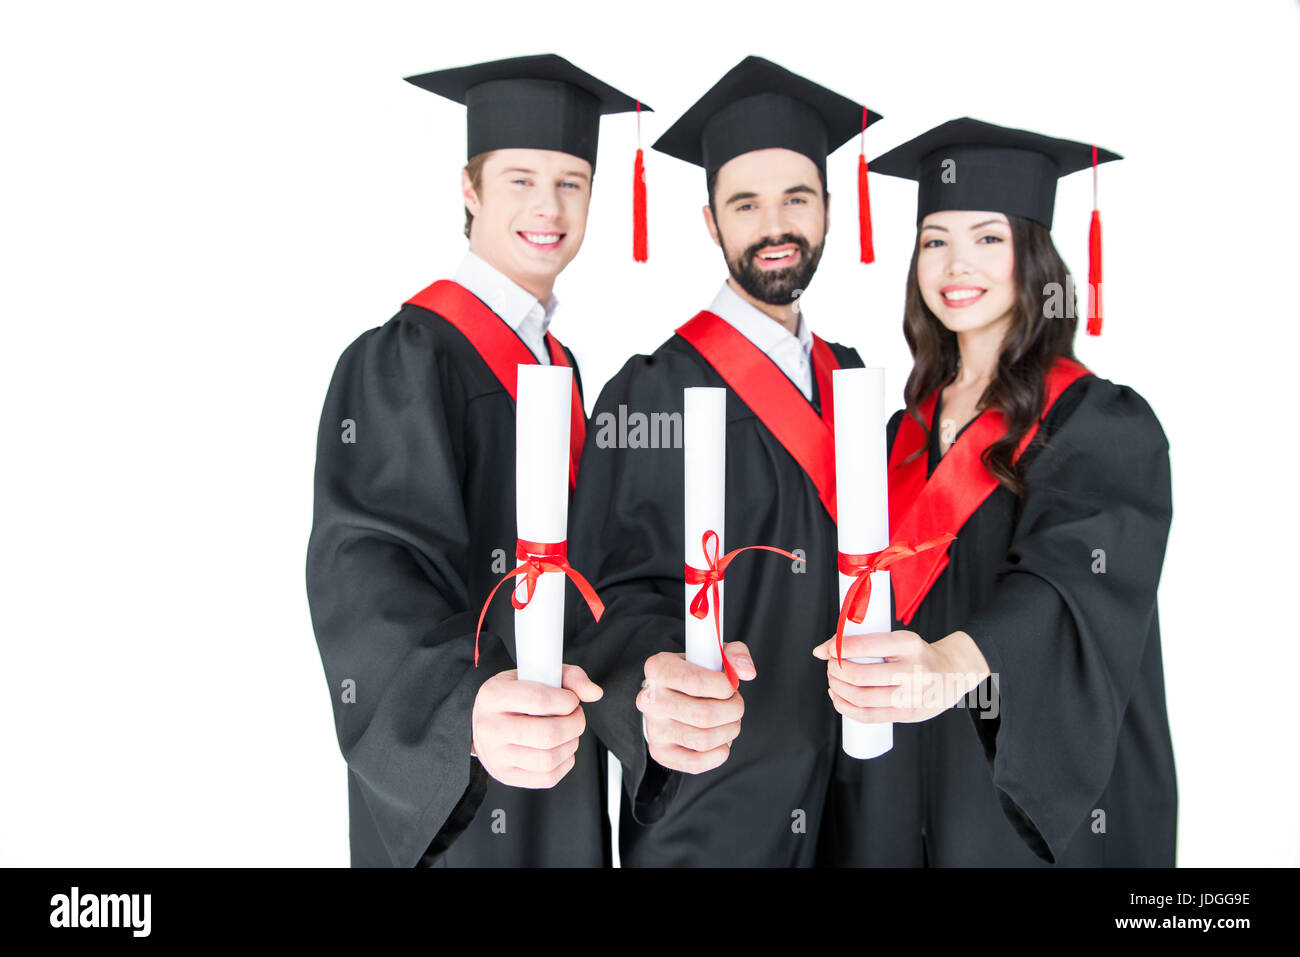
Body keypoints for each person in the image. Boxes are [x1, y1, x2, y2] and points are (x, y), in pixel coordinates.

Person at [305, 54, 648, 867]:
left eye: (571, 182)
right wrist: (464, 705)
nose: (548, 206)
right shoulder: (405, 357)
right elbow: (366, 569)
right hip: (467, 774)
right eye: (521, 179)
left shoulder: (560, 367)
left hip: (560, 757)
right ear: (470, 189)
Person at [816, 118, 1177, 866]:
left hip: (1014, 811)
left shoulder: (1097, 421)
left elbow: (1071, 574)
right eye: (934, 239)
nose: (956, 262)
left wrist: (953, 664)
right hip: (892, 791)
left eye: (987, 237)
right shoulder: (893, 435)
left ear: (1034, 256)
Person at [565, 56, 881, 866]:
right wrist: (654, 692)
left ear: (829, 212)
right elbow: (605, 601)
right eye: (746, 204)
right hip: (710, 809)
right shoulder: (650, 393)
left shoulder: (853, 381)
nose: (775, 225)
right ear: (711, 222)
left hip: (857, 795)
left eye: (796, 199)